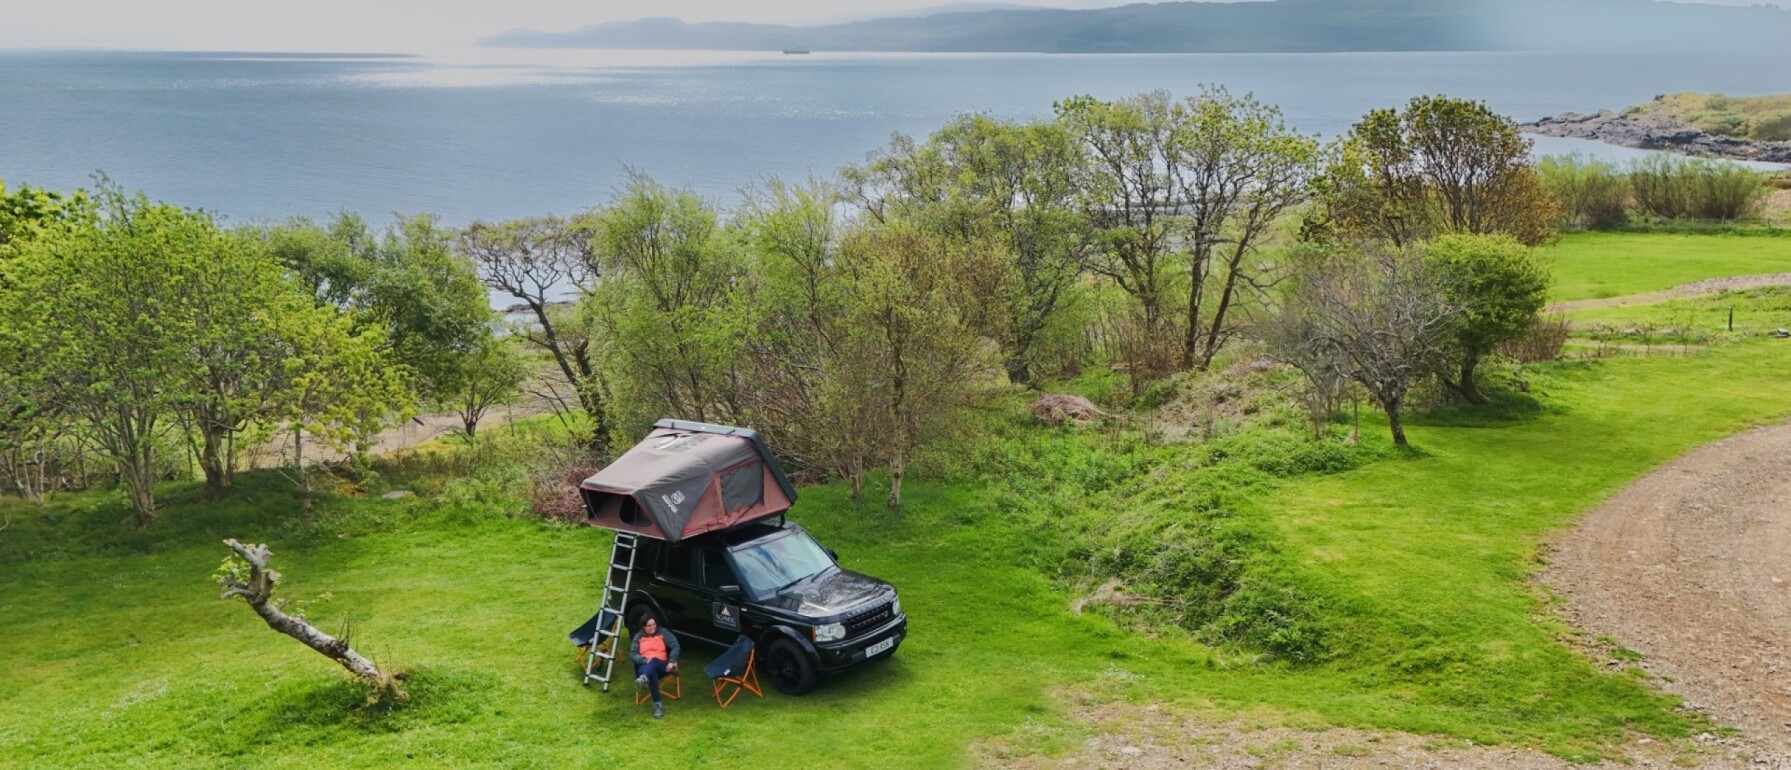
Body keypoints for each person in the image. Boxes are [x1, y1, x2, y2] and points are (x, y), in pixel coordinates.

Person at [630, 613, 681, 718]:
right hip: (644, 666)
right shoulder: (638, 637)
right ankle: (657, 705)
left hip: (662, 666)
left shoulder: (662, 632)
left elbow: (675, 646)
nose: (653, 627)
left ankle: (644, 679)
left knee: (653, 660)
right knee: (651, 671)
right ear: (644, 627)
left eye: (654, 624)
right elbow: (632, 654)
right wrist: (643, 660)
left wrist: (671, 661)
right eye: (649, 625)